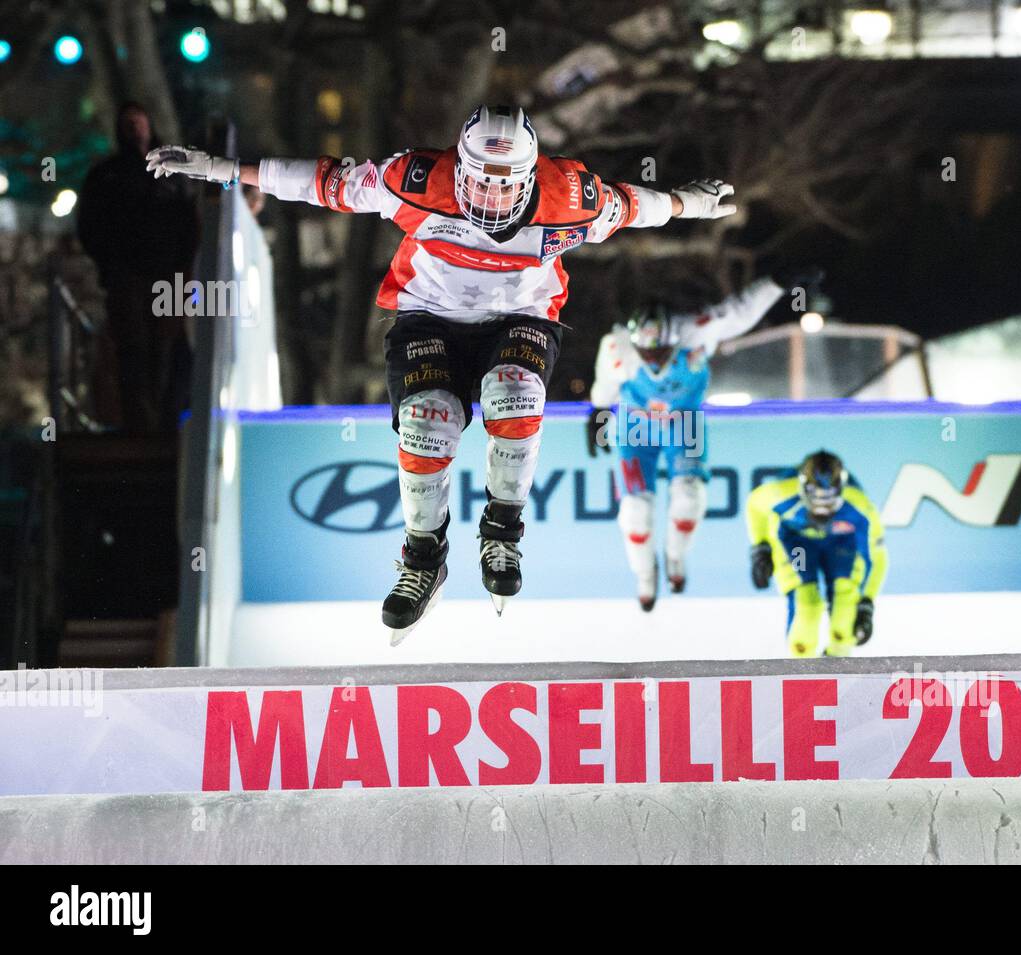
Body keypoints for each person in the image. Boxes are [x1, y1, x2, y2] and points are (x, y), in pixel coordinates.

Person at [146, 104, 736, 635]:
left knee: (514, 392)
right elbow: (326, 184)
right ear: (458, 167)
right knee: (430, 424)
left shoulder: (572, 197)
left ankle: (502, 533)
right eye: (478, 182)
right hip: (429, 315)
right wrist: (226, 170)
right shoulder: (416, 181)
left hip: (519, 317)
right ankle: (423, 558)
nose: (491, 202)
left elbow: (638, 206)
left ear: (531, 178)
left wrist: (692, 202)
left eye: (505, 187)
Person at [587, 267, 822, 609]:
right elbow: (604, 382)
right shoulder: (617, 346)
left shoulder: (694, 331)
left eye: (661, 352)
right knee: (635, 509)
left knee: (689, 497)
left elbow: (739, 313)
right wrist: (598, 411)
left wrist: (776, 281)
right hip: (636, 428)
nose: (653, 361)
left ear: (674, 338)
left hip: (685, 425)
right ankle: (644, 573)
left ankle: (676, 556)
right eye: (646, 353)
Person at [77, 102, 199, 432]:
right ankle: (140, 424)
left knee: (167, 347)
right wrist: (111, 263)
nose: (135, 129)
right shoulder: (107, 176)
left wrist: (185, 267)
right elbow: (89, 225)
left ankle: (165, 421)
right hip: (127, 275)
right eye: (128, 123)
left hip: (170, 275)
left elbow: (190, 222)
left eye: (139, 122)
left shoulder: (172, 174)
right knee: (133, 348)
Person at [746, 450, 887, 658]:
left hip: (841, 545)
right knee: (807, 602)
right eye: (816, 497)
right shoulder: (782, 492)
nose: (822, 507)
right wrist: (761, 547)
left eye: (829, 499)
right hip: (799, 544)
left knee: (846, 605)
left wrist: (866, 602)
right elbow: (755, 506)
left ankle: (839, 663)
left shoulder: (861, 506)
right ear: (802, 488)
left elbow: (876, 558)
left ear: (841, 489)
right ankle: (802, 669)